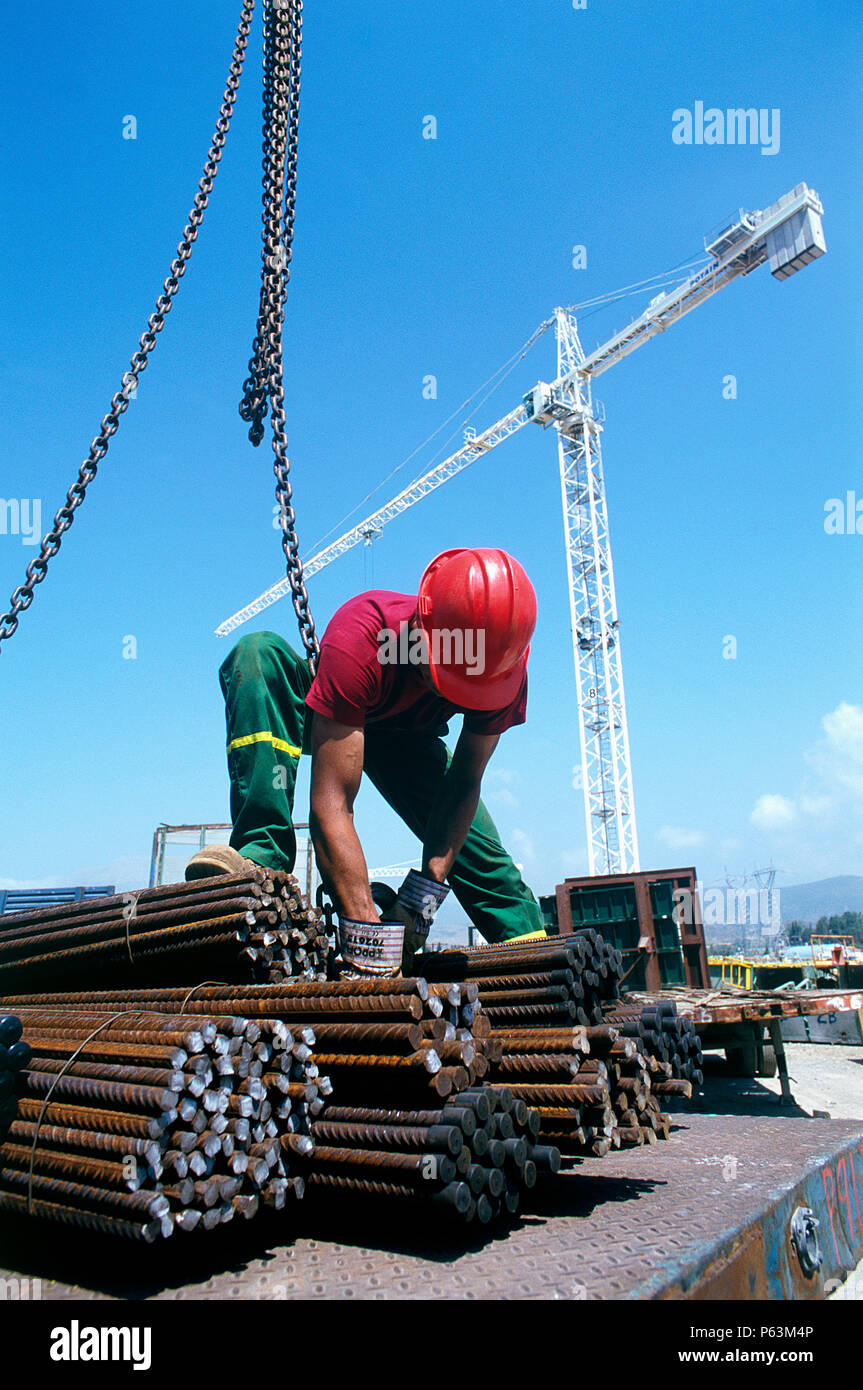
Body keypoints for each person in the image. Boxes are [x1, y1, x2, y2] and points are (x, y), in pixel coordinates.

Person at [186, 547, 546, 974]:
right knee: (256, 655)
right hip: (333, 717)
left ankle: (539, 961)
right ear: (423, 630)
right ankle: (261, 855)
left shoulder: (497, 668)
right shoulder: (367, 635)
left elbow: (465, 782)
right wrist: (367, 934)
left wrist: (421, 901)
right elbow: (332, 802)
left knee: (482, 857)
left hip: (407, 740)